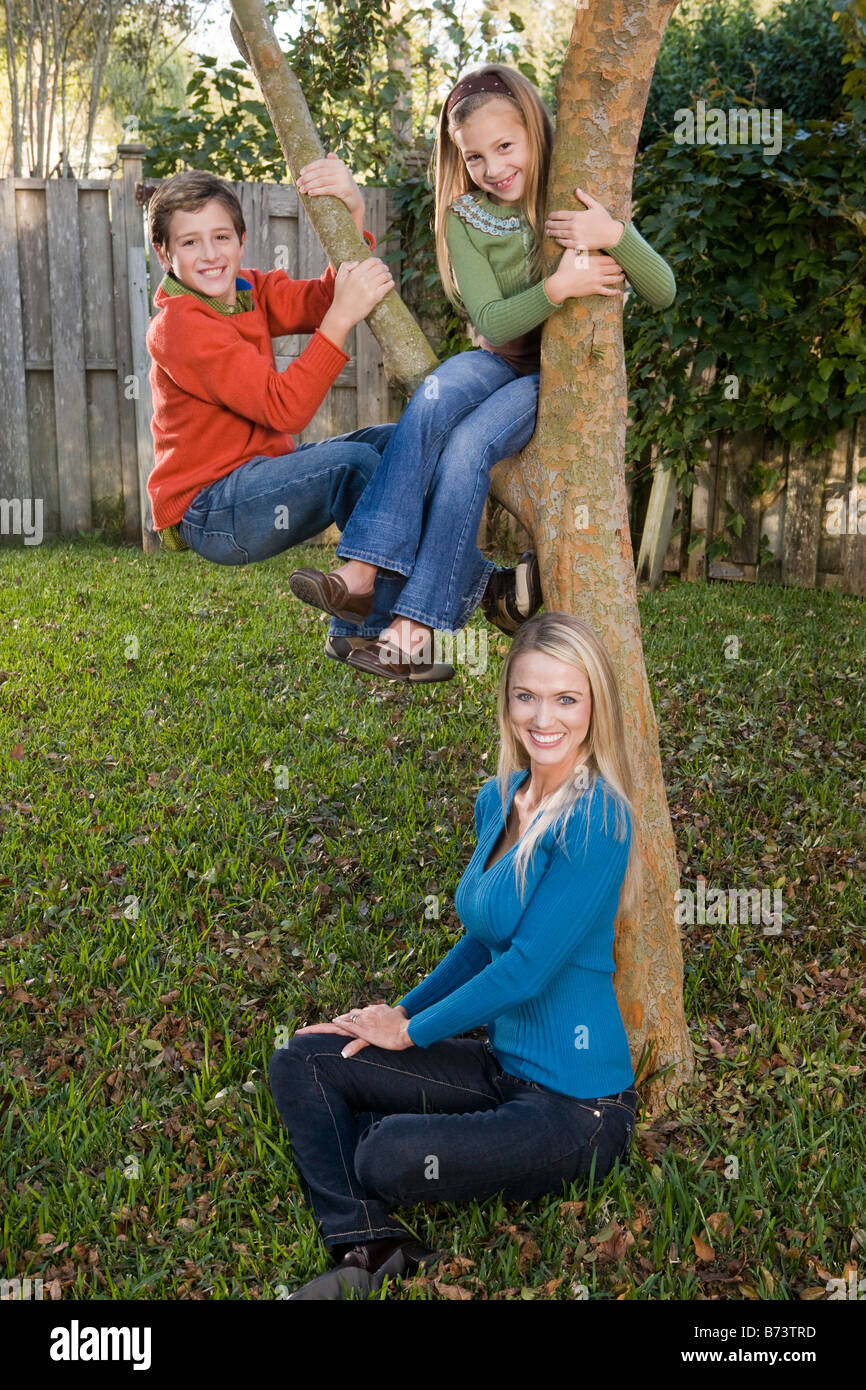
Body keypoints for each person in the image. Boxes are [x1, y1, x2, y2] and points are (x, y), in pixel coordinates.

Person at [268, 611, 643, 1300]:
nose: (544, 717)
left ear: (595, 706)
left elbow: (527, 966)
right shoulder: (498, 799)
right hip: (503, 1069)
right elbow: (481, 943)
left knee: (385, 1154)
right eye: (527, 695)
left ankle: (375, 1157)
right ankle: (368, 1242)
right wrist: (396, 1014)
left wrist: (412, 1034)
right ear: (506, 701)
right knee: (304, 1058)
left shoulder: (599, 818)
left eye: (567, 698)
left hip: (577, 1111)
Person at [287, 64, 676, 684]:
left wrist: (614, 235)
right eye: (474, 157)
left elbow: (664, 289)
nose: (493, 168)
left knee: (469, 445)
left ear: (534, 133)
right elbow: (494, 321)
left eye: (504, 147)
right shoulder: (465, 218)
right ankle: (362, 573)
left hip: (555, 378)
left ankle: (414, 629)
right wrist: (560, 286)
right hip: (498, 357)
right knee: (434, 393)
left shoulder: (572, 196)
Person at [144, 167, 536, 682]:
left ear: (242, 239)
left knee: (400, 447)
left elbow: (323, 296)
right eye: (190, 242)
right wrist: (341, 320)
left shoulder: (246, 290)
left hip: (260, 477)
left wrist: (352, 214)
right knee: (355, 465)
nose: (211, 253)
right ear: (164, 255)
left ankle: (355, 622)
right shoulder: (179, 326)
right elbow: (285, 408)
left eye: (221, 237)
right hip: (212, 510)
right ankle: (457, 599)